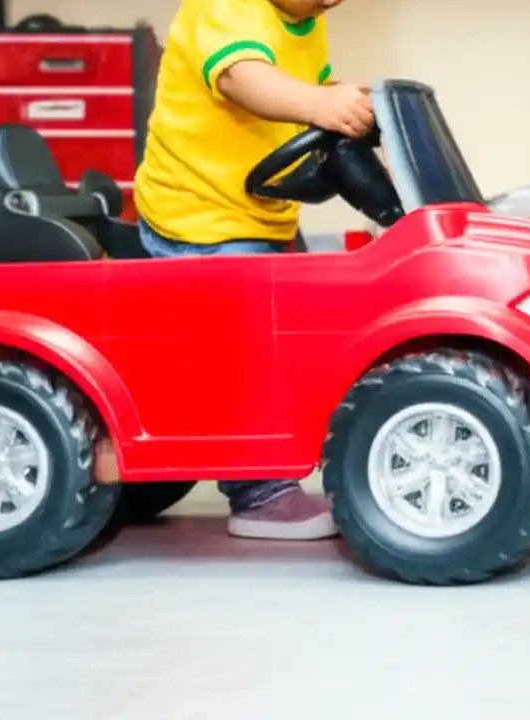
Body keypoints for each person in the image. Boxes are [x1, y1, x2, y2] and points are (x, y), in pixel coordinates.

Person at [95, 0, 374, 539]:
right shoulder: (224, 6)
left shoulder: (305, 25)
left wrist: (347, 109)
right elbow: (245, 79)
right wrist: (321, 101)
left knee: (306, 325)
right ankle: (258, 492)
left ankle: (295, 452)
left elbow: (302, 101)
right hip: (198, 215)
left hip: (256, 214)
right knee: (245, 346)